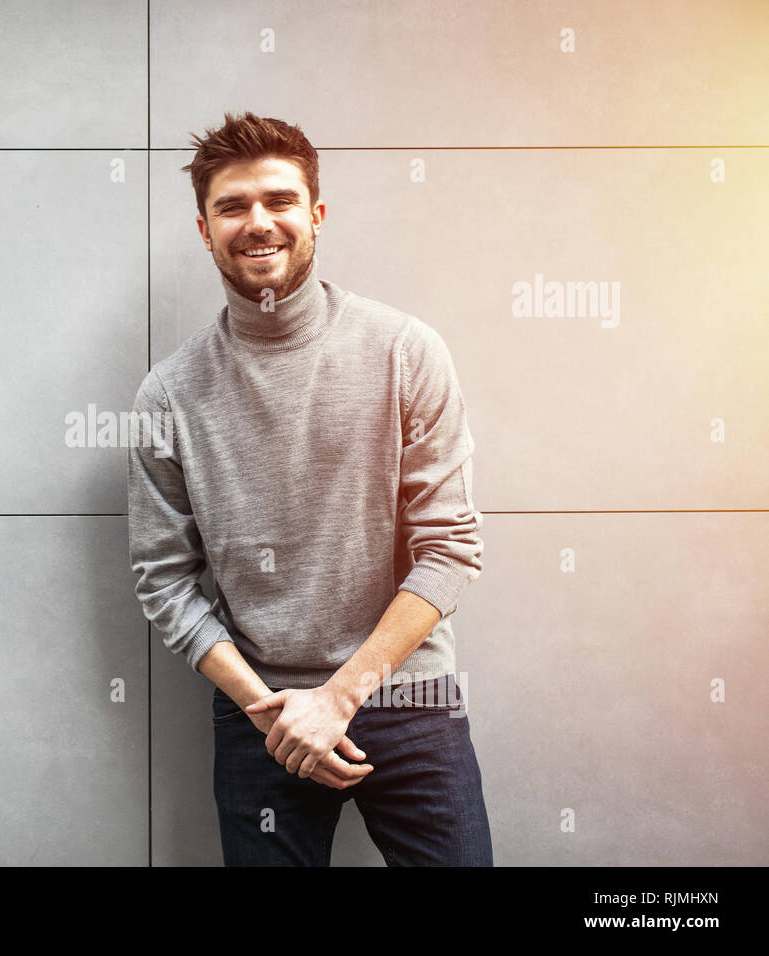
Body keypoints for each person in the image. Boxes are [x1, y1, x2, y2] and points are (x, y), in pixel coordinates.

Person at [127, 111, 493, 866]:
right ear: (205, 229)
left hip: (409, 697)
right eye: (232, 207)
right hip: (259, 712)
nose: (257, 222)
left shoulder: (406, 351)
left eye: (279, 201)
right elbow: (164, 581)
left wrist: (339, 698)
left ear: (315, 216)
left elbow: (450, 547)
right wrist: (272, 711)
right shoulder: (168, 395)